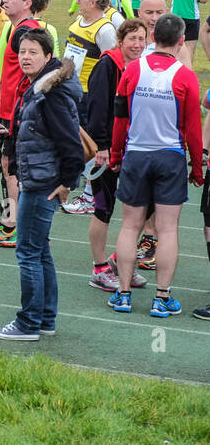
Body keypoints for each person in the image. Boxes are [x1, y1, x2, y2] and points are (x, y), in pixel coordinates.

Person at [0, 31, 84, 340]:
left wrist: (68, 181)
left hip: (43, 182)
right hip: (40, 177)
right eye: (22, 52)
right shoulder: (40, 87)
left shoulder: (50, 92)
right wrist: (11, 134)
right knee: (39, 251)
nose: (25, 57)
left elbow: (70, 140)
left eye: (33, 52)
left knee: (28, 251)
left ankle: (28, 323)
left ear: (47, 55)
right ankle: (44, 318)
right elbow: (43, 132)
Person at [108, 13, 204, 318]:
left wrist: (115, 155)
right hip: (170, 157)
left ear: (152, 38)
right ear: (180, 42)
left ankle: (123, 294)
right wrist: (197, 169)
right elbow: (193, 130)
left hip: (136, 154)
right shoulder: (186, 76)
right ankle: (162, 297)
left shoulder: (132, 70)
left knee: (129, 226)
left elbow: (120, 119)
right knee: (167, 229)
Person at [0, 0, 48, 248]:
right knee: (11, 166)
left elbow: (34, 72)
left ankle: (11, 225)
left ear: (28, 3)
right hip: (13, 110)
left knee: (12, 167)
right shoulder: (18, 28)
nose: (6, 0)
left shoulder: (24, 33)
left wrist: (15, 112)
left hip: (17, 112)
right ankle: (18, 224)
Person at [82, 17, 149, 292]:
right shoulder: (107, 65)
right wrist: (101, 147)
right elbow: (96, 109)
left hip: (132, 149)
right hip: (105, 153)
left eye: (141, 39)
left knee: (144, 208)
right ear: (120, 41)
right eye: (132, 39)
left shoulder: (142, 67)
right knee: (103, 207)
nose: (137, 44)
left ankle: (120, 260)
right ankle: (99, 269)